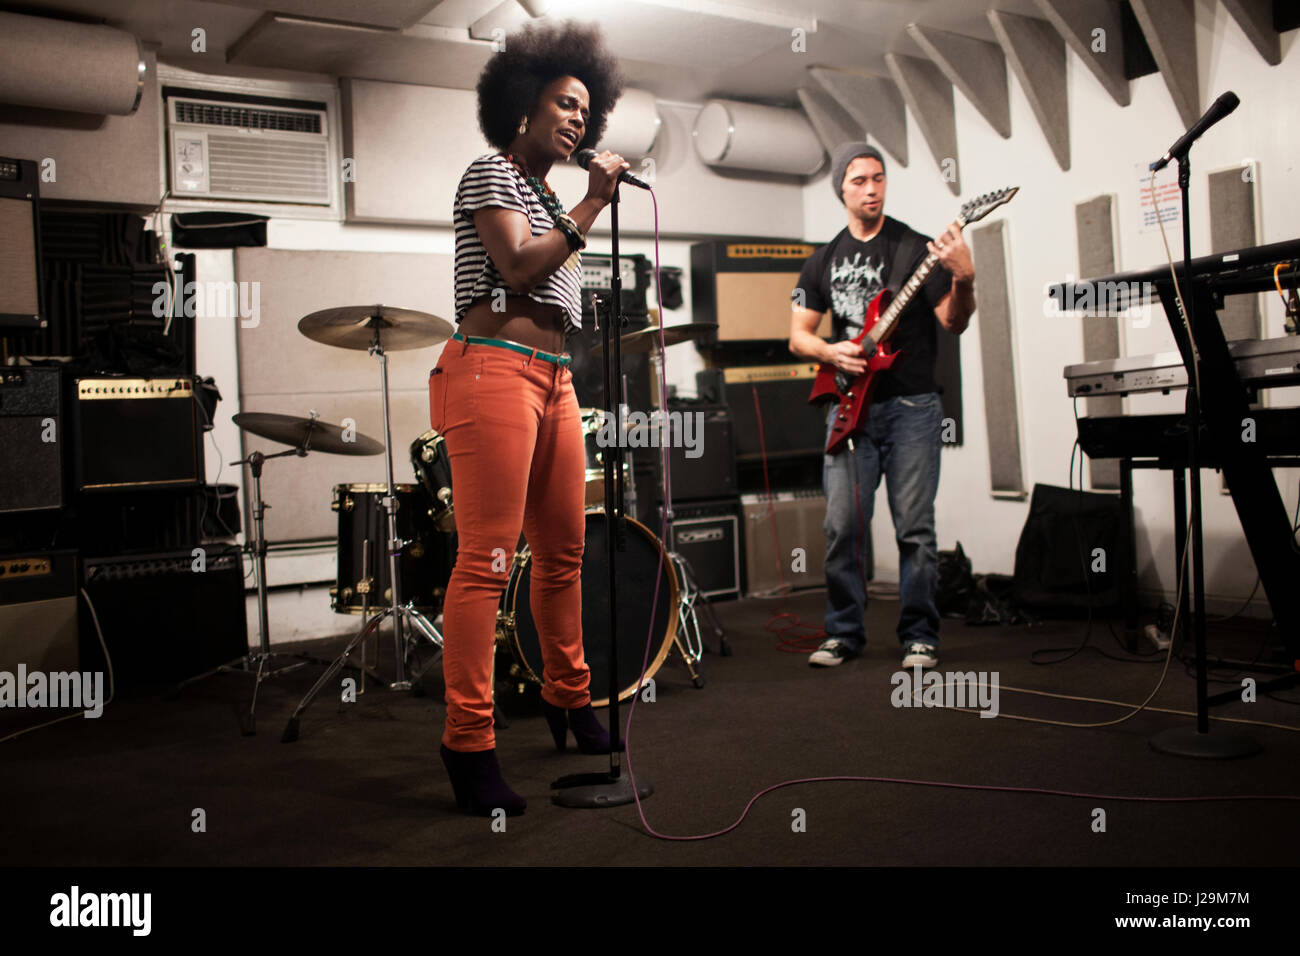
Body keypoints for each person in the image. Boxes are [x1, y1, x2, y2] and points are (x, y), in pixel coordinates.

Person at [430, 21, 627, 817]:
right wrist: (591, 204)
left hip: (555, 378)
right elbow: (514, 265)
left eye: (586, 109)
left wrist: (577, 206)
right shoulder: (492, 173)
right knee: (486, 560)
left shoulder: (551, 195)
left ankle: (569, 698)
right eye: (563, 103)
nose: (577, 119)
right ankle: (468, 740)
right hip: (491, 371)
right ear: (523, 105)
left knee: (566, 553)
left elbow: (556, 283)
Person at [788, 143, 976, 671]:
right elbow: (798, 337)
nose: (871, 189)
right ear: (841, 191)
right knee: (842, 525)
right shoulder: (821, 260)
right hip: (850, 408)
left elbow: (954, 322)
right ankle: (843, 632)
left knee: (914, 527)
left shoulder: (916, 248)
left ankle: (920, 635)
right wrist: (830, 350)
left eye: (878, 178)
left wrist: (965, 278)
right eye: (859, 181)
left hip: (913, 407)